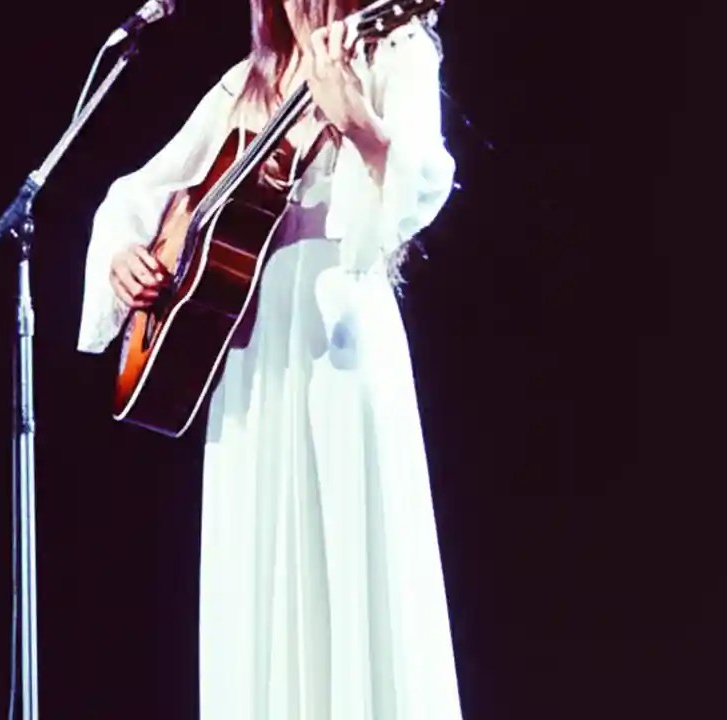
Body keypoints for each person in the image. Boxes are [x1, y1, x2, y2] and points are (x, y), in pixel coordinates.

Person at [77, 0, 462, 716]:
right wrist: (125, 258)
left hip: (338, 326)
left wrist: (358, 122)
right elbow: (138, 193)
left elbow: (425, 177)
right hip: (247, 345)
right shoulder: (246, 82)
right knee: (255, 567)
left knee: (348, 557)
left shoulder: (395, 44)